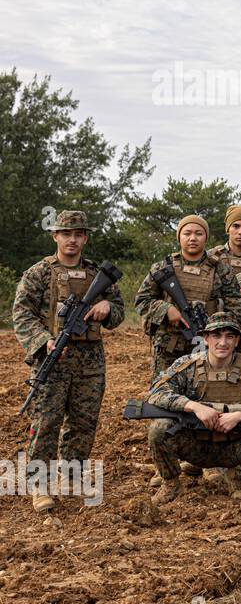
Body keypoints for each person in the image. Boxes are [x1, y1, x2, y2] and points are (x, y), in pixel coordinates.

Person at [12, 211, 126, 513]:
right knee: (46, 422)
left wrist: (106, 306)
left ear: (85, 237)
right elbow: (22, 314)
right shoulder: (39, 273)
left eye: (78, 234)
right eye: (66, 234)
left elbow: (118, 312)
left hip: (90, 363)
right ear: (55, 236)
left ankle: (72, 477)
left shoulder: (96, 274)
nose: (72, 239)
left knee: (83, 423)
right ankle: (40, 485)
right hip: (53, 357)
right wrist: (42, 341)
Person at [147, 312, 241, 505]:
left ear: (237, 340)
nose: (223, 342)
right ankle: (171, 483)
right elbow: (156, 392)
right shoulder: (188, 365)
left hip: (233, 448)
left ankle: (235, 478)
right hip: (195, 445)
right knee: (159, 429)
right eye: (216, 336)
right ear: (206, 338)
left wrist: (240, 416)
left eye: (229, 336)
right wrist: (194, 407)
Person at [135, 214, 241, 375]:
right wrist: (166, 309)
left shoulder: (222, 270)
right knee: (164, 394)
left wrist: (220, 336)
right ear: (179, 237)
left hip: (208, 347)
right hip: (168, 348)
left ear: (206, 237)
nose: (193, 238)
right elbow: (142, 301)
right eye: (187, 233)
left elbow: (235, 311)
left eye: (199, 233)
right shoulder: (163, 268)